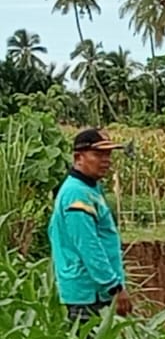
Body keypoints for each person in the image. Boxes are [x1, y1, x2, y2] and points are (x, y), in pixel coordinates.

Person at [48, 128, 133, 323]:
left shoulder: (90, 188)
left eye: (108, 154)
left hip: (96, 290)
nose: (106, 160)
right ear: (78, 157)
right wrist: (114, 287)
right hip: (88, 293)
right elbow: (88, 245)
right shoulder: (76, 194)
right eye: (98, 154)